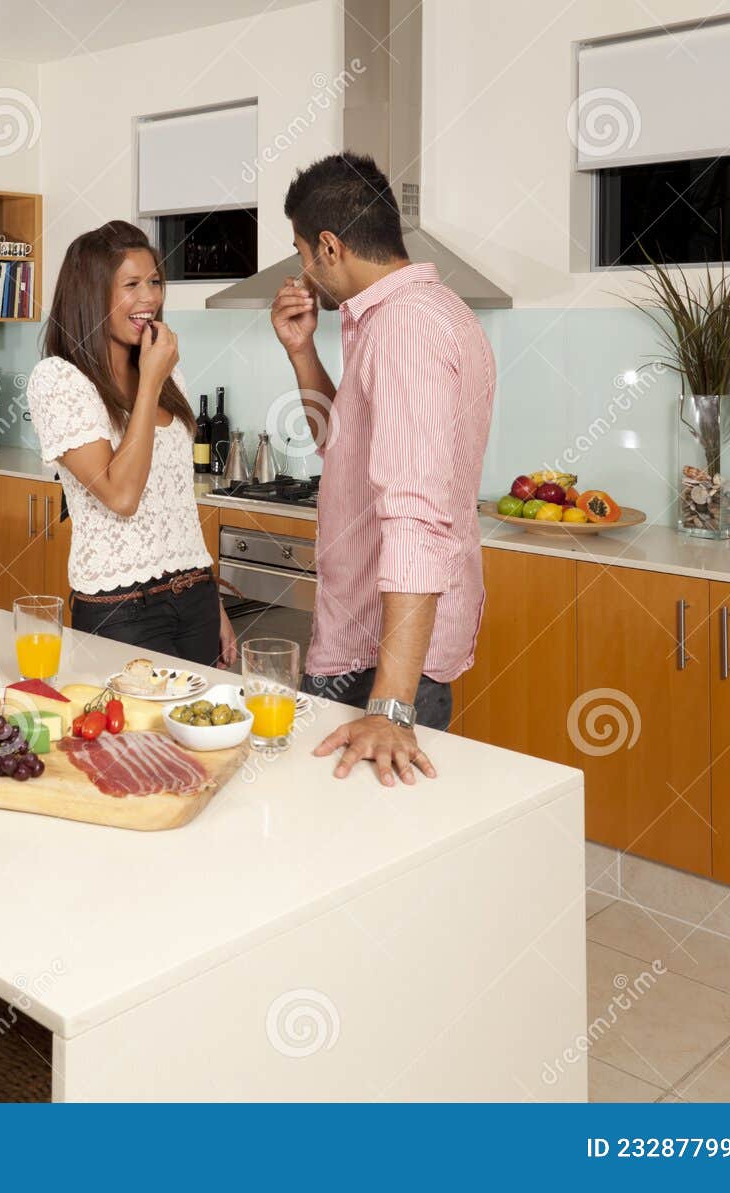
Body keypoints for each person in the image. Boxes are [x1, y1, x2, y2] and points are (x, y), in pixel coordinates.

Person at [269, 153, 496, 785]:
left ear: (331, 245)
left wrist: (389, 709)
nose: (304, 271)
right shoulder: (397, 316)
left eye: (302, 252)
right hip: (363, 642)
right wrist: (301, 351)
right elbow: (339, 445)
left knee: (358, 844)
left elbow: (415, 520)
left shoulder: (405, 326)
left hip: (381, 665)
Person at [26, 220, 237, 667]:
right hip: (122, 611)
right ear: (92, 294)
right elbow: (121, 496)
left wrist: (212, 599)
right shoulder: (60, 380)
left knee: (198, 732)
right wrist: (151, 383)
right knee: (137, 736)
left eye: (155, 282)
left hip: (194, 597)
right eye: (132, 285)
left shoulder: (164, 374)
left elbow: (175, 505)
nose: (150, 298)